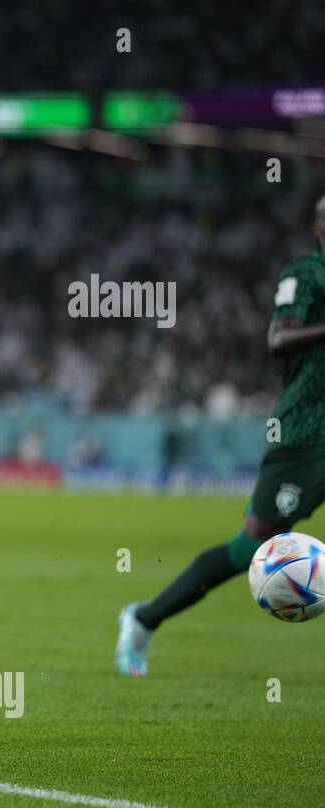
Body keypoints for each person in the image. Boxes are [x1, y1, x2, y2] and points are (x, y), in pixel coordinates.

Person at [117, 194, 325, 675]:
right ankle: (144, 619)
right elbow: (279, 338)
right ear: (318, 226)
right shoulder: (306, 275)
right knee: (251, 547)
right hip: (305, 435)